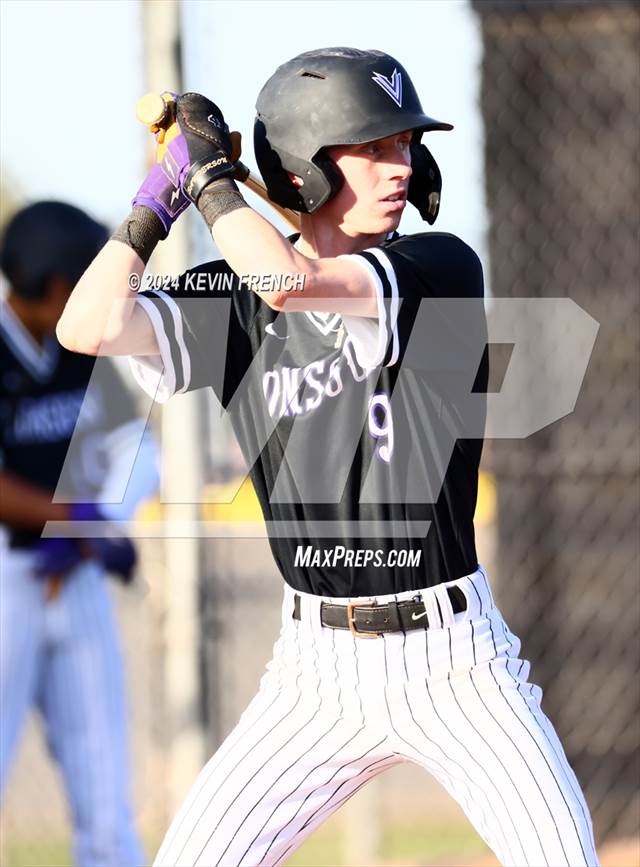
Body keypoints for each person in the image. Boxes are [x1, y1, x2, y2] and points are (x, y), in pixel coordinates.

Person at [57, 48, 599, 867]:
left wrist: (209, 180)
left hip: (456, 663)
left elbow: (291, 282)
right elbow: (87, 327)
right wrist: (154, 203)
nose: (400, 164)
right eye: (372, 147)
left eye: (404, 144)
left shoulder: (436, 266)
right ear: (303, 166)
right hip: (313, 674)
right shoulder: (228, 298)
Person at [0, 201, 157, 867]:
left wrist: (100, 522)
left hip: (77, 576)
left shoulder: (80, 350)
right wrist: (76, 519)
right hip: (9, 580)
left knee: (105, 800)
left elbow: (135, 445)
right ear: (61, 284)